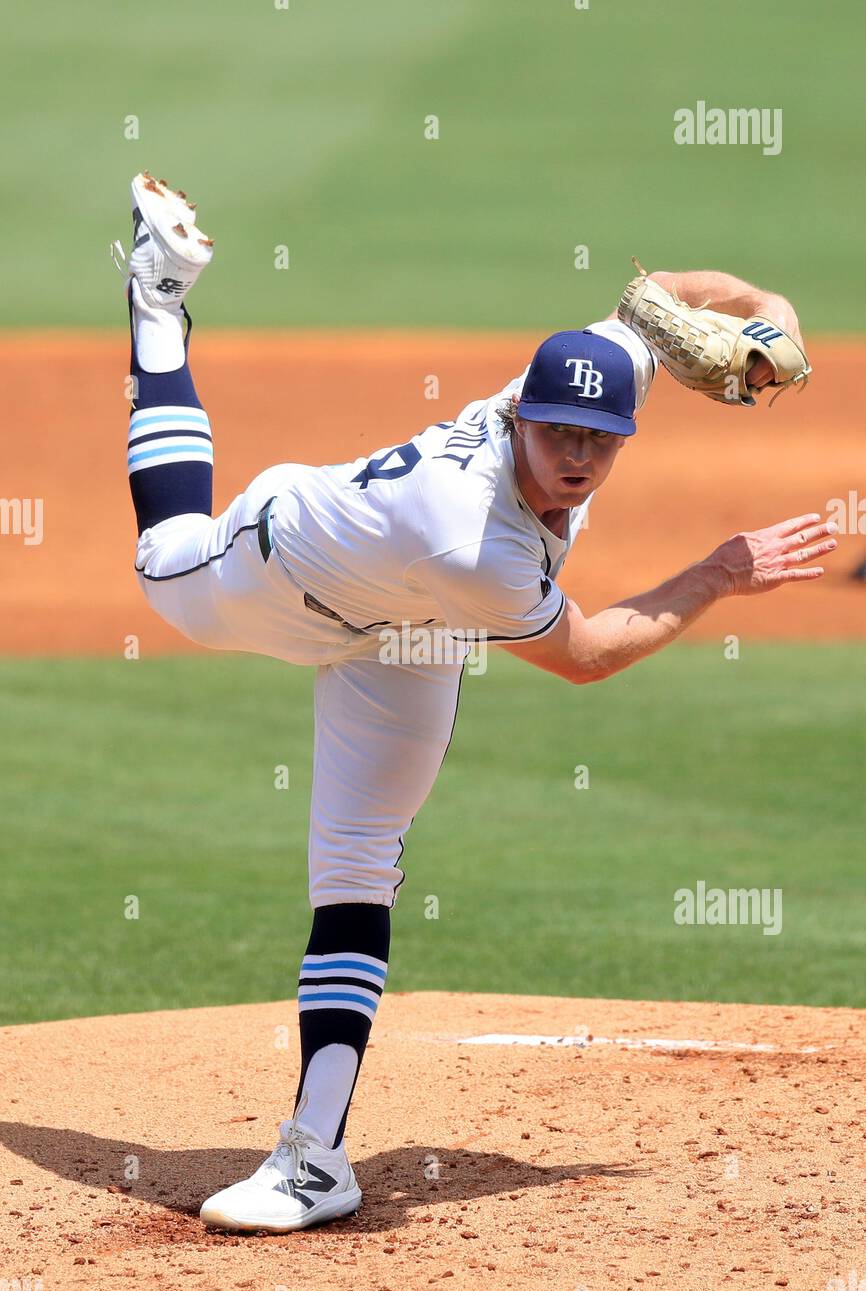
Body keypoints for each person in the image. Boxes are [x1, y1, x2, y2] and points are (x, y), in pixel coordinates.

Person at [112, 173, 837, 1233]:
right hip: (281, 575)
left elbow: (664, 297)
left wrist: (766, 317)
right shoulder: (473, 540)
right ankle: (157, 297)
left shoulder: (578, 386)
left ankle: (314, 1159)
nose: (578, 456)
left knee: (356, 862)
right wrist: (719, 574)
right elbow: (582, 653)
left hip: (410, 631)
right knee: (156, 558)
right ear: (521, 420)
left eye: (599, 437)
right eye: (559, 436)